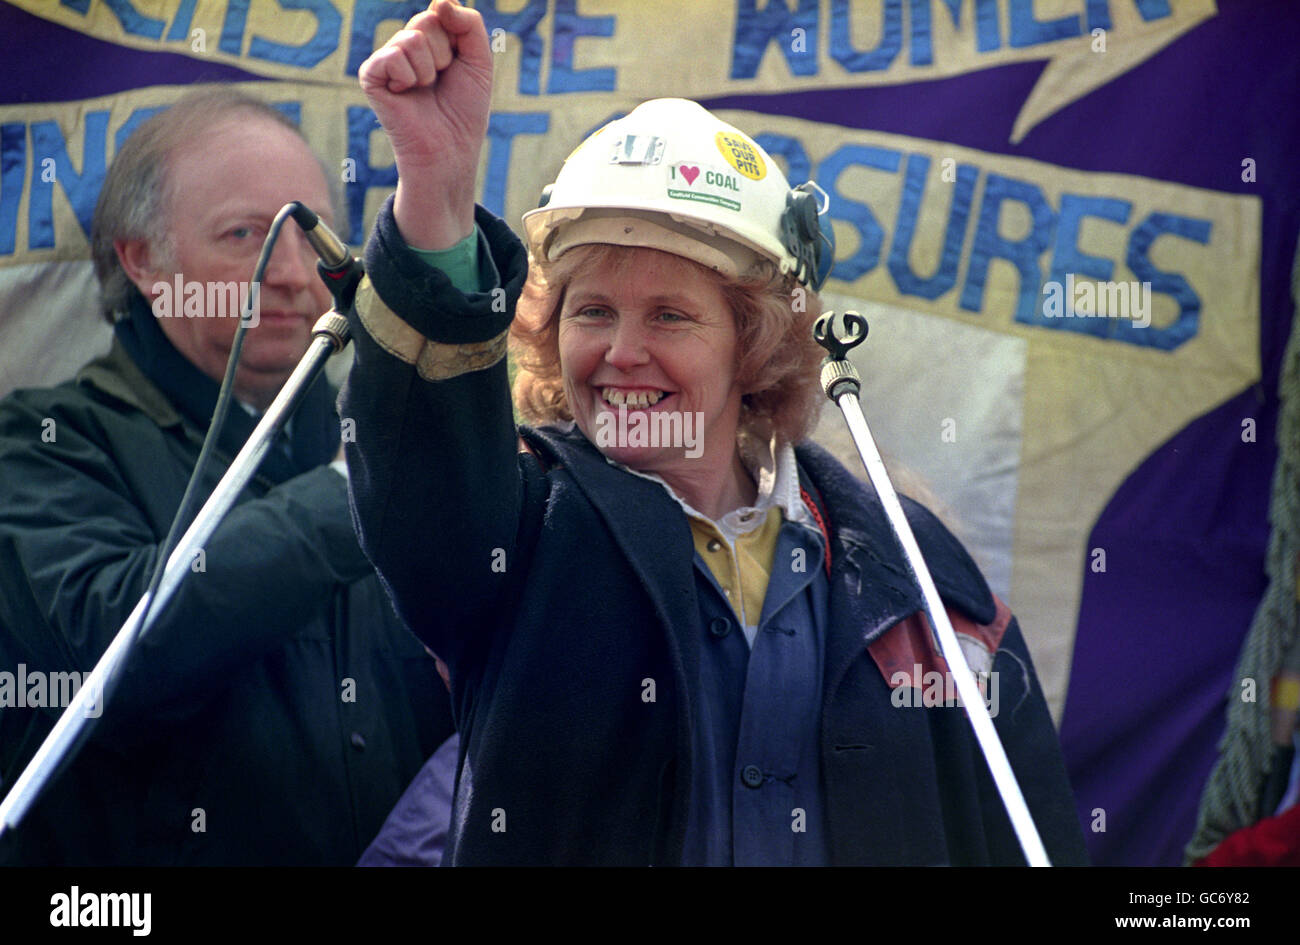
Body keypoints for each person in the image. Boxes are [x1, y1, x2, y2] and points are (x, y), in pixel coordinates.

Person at [341, 1, 1088, 865]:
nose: (623, 353)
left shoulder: (917, 573)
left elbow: (1022, 838)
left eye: (670, 315)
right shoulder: (514, 533)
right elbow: (426, 478)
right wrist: (435, 185)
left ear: (756, 343)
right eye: (592, 311)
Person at [0, 88, 454, 865]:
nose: (290, 273)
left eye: (311, 234)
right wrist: (356, 486)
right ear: (142, 261)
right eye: (247, 235)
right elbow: (111, 652)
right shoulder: (45, 444)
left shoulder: (384, 443)